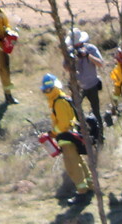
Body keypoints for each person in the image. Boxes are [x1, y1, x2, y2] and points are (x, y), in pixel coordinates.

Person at [40, 74, 93, 204]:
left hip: (66, 137)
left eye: (48, 89)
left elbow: (63, 124)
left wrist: (52, 133)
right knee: (79, 162)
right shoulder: (60, 99)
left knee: (72, 166)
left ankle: (82, 194)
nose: (47, 92)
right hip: (69, 137)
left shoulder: (59, 101)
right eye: (45, 90)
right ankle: (90, 186)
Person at [65, 29, 106, 144]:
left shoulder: (91, 49)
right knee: (76, 112)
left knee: (96, 112)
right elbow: (66, 67)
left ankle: (100, 136)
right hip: (77, 87)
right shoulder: (69, 51)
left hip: (92, 85)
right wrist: (71, 60)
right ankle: (82, 136)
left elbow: (101, 63)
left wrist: (88, 56)